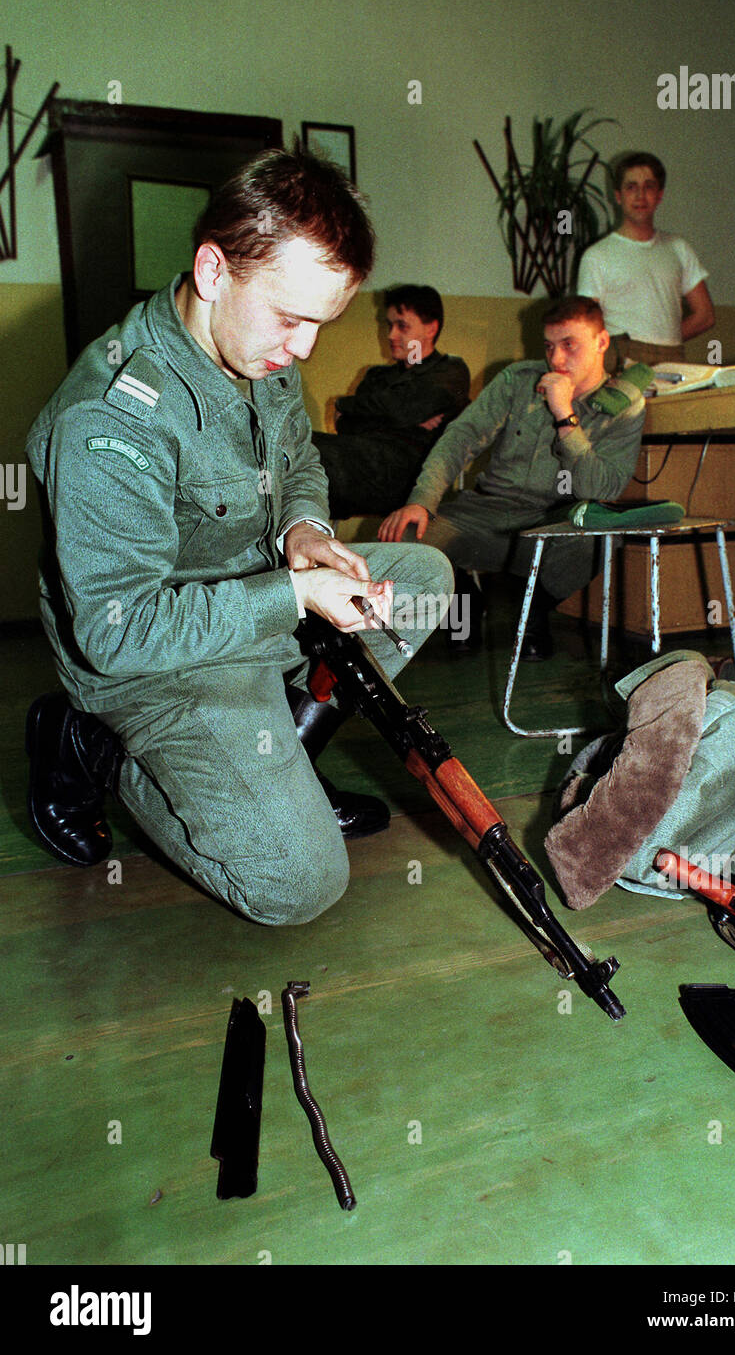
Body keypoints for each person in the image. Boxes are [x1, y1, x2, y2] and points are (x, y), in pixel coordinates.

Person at [25, 146, 453, 927]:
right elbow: (120, 634)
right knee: (300, 887)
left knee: (423, 585)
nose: (303, 350)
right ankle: (97, 751)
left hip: (255, 603)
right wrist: (291, 593)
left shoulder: (259, 345)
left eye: (322, 324)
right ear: (214, 270)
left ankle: (270, 755)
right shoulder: (109, 419)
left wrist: (305, 533)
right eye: (292, 318)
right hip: (150, 663)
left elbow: (297, 461)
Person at [378, 296, 645, 659]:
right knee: (407, 533)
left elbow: (601, 488)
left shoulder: (624, 406)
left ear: (601, 342)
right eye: (550, 347)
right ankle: (462, 599)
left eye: (570, 345)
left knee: (600, 539)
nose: (557, 360)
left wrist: (564, 414)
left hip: (553, 525)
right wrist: (421, 501)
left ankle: (531, 612)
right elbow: (461, 438)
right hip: (487, 514)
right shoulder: (518, 380)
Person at [311, 284, 469, 518]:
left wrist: (344, 405)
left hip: (406, 480)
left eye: (402, 326)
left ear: (431, 328)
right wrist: (406, 422)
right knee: (299, 444)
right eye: (390, 325)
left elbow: (402, 410)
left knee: (307, 456)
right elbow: (346, 426)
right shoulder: (377, 376)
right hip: (358, 463)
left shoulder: (450, 370)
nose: (391, 335)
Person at [577, 151, 714, 370]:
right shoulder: (597, 255)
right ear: (618, 196)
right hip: (620, 359)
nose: (640, 195)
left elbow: (705, 315)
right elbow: (583, 326)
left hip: (672, 358)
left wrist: (665, 341)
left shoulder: (678, 248)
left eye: (649, 186)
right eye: (631, 187)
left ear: (659, 195)